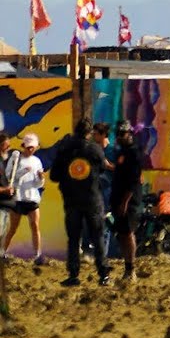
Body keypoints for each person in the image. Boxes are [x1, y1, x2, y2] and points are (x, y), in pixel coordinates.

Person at [49, 119, 111, 286]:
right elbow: (102, 169)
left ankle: (73, 275)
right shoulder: (95, 149)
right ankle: (103, 274)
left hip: (71, 200)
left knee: (73, 238)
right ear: (89, 133)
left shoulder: (64, 149)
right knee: (97, 236)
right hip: (92, 198)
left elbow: (54, 176)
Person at [2, 134, 46, 264]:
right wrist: (22, 172)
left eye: (33, 147)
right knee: (13, 227)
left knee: (35, 225)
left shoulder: (37, 161)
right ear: (24, 146)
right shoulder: (16, 158)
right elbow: (10, 178)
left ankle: (37, 255)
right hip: (18, 198)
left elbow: (38, 184)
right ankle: (3, 252)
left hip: (32, 198)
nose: (30, 150)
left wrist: (41, 178)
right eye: (28, 147)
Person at [110, 122, 145, 283]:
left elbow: (134, 180)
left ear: (129, 134)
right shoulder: (120, 152)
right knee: (122, 233)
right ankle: (127, 267)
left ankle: (131, 270)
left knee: (128, 232)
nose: (118, 137)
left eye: (122, 134)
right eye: (117, 134)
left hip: (129, 201)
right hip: (118, 198)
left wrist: (125, 202)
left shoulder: (134, 153)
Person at [89, 123, 115, 258]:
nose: (94, 136)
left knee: (104, 222)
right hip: (95, 191)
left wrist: (108, 165)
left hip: (108, 191)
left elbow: (121, 169)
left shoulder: (112, 150)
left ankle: (102, 256)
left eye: (96, 134)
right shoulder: (94, 150)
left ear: (103, 135)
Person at [0, 134, 15, 244]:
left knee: (3, 232)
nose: (9, 148)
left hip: (6, 203)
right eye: (7, 145)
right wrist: (5, 190)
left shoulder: (8, 161)